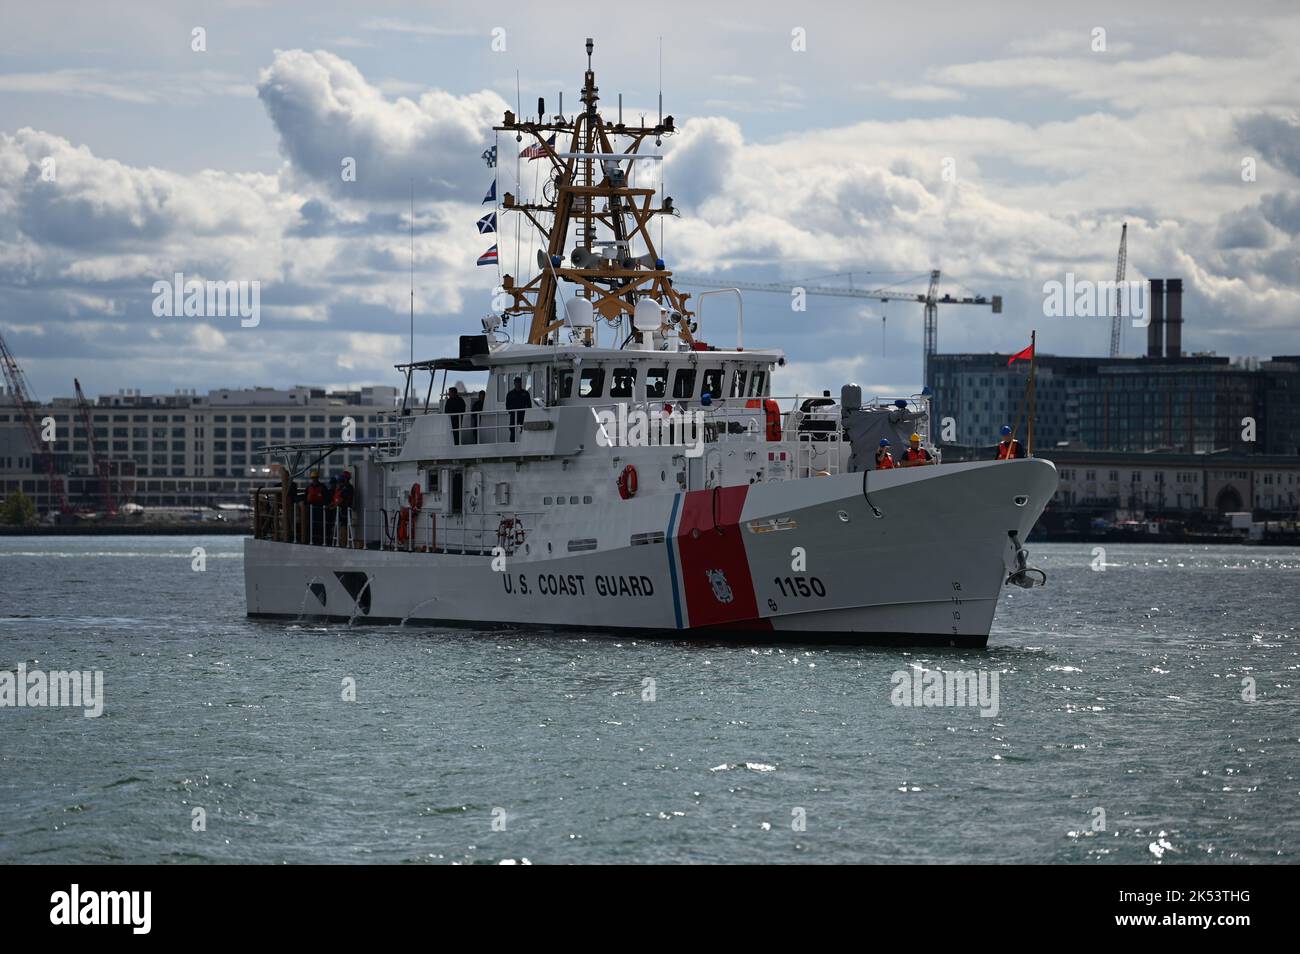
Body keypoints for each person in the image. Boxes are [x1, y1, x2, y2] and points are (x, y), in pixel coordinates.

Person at [304, 470, 327, 544]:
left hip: (319, 508)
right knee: (311, 525)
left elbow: (326, 497)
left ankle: (319, 540)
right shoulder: (308, 487)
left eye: (315, 478)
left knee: (319, 525)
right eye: (313, 478)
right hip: (311, 508)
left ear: (317, 478)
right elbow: (305, 497)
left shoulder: (322, 487)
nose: (314, 479)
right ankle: (312, 539)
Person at [505, 376, 531, 441]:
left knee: (525, 429)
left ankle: (525, 442)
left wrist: (528, 412)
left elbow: (529, 405)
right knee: (512, 430)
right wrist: (512, 411)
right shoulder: (510, 394)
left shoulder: (525, 393)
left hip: (523, 414)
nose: (518, 384)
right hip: (514, 415)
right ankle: (512, 444)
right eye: (517, 382)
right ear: (514, 383)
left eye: (519, 382)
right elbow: (507, 406)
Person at [334, 470, 355, 546]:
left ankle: (344, 543)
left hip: (345, 509)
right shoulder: (346, 487)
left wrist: (335, 505)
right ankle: (343, 541)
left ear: (346, 478)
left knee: (344, 525)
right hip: (343, 509)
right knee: (343, 524)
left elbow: (342, 498)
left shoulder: (348, 488)